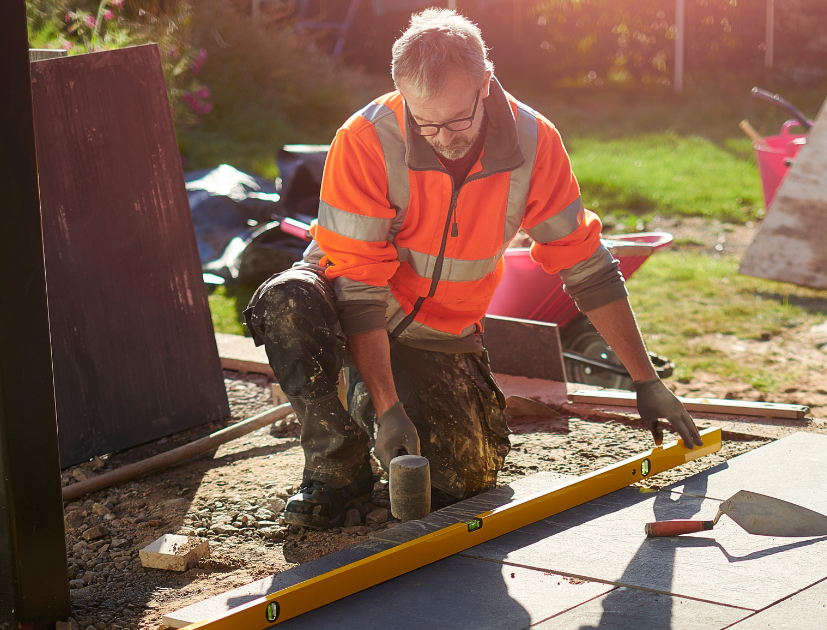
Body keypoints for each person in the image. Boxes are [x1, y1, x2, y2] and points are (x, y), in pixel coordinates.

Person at [244, 8, 702, 530]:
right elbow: (357, 285)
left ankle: (370, 402)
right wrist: (391, 408)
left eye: (459, 120)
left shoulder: (534, 142)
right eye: (426, 123)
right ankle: (335, 472)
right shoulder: (365, 139)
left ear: (486, 84)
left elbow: (586, 266)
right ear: (401, 96)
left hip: (440, 332)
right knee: (287, 301)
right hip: (350, 309)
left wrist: (645, 381)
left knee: (462, 484)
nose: (444, 138)